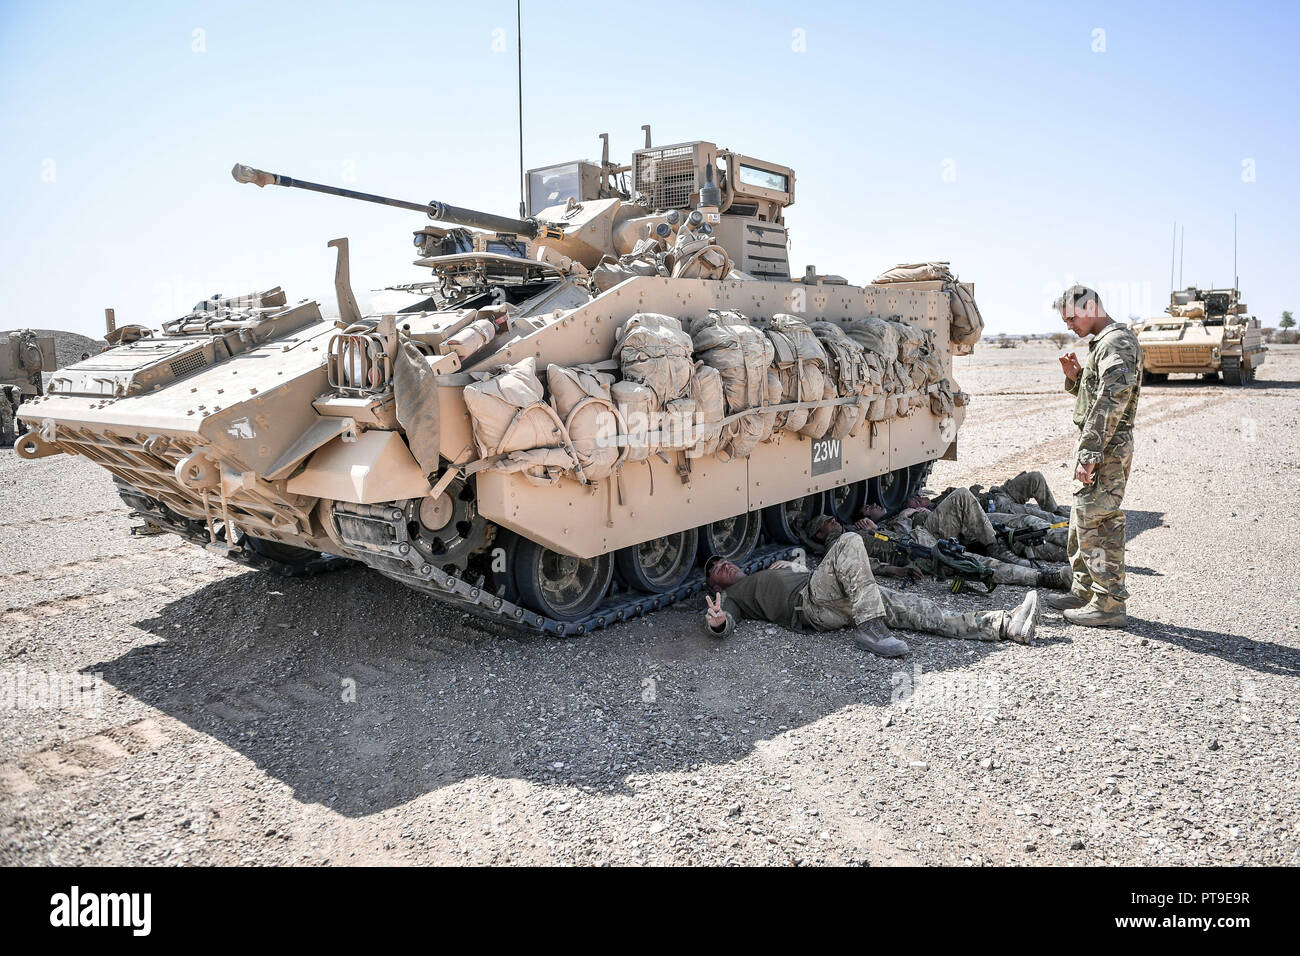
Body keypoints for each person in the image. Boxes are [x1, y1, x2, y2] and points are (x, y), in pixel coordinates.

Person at [702, 530, 1042, 657]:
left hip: (842, 597)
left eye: (723, 560)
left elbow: (847, 570)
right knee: (849, 540)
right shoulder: (732, 597)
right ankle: (871, 631)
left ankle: (1004, 624)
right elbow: (725, 622)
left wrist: (791, 569)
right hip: (812, 605)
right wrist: (718, 622)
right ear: (716, 585)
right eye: (716, 568)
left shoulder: (767, 571)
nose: (724, 564)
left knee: (917, 608)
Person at [1050, 284, 1141, 627]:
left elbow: (1112, 401)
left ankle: (1109, 602)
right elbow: (1099, 393)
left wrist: (1090, 453)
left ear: (1090, 307)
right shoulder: (1104, 343)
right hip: (1102, 444)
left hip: (1108, 448)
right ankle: (1085, 589)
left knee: (1097, 520)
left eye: (1072, 318)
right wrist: (1076, 380)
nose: (1069, 326)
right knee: (1080, 518)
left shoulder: (1117, 342)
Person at [856, 488, 1071, 590]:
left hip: (940, 532)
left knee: (1026, 526)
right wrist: (885, 526)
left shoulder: (900, 510)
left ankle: (1076, 544)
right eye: (868, 508)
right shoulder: (880, 528)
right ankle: (1043, 577)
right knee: (981, 564)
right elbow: (866, 560)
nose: (874, 505)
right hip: (922, 543)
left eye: (873, 503)